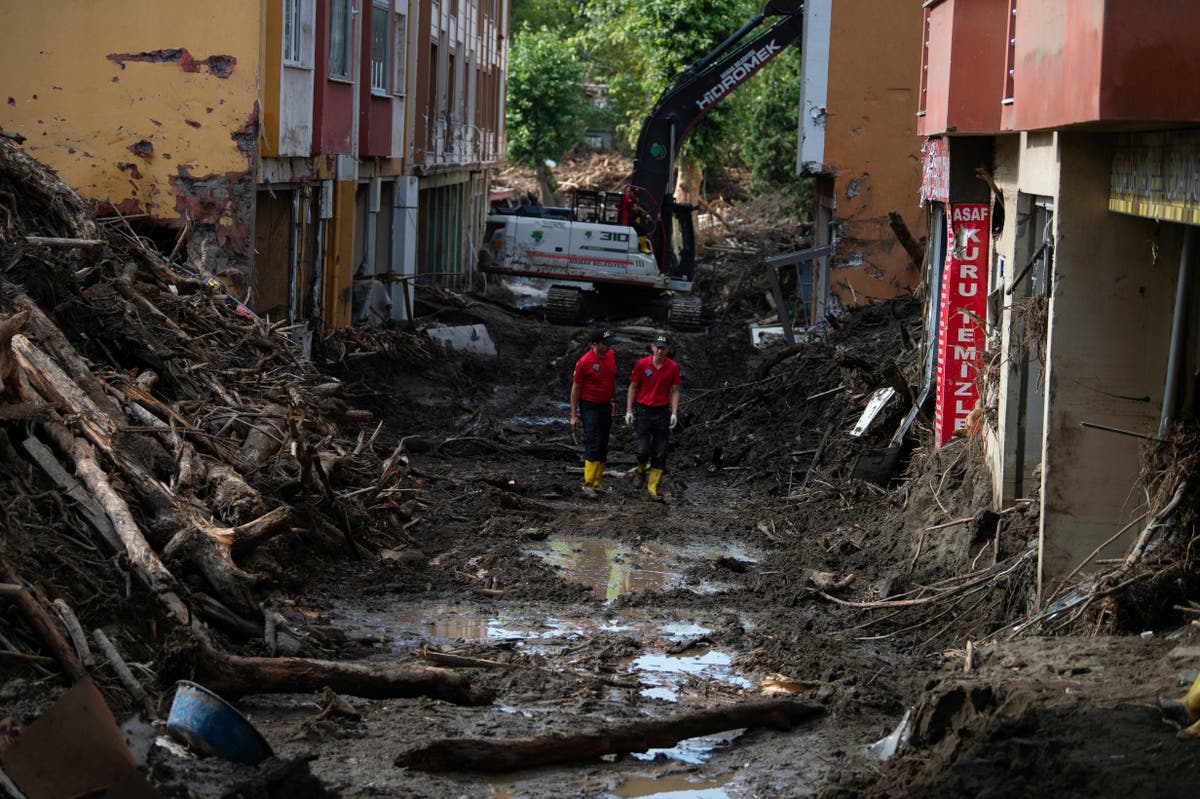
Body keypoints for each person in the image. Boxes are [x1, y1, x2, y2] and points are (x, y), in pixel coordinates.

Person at [624, 332, 680, 500]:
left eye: (663, 348)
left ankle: (652, 488)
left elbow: (675, 390)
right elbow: (633, 387)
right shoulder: (642, 364)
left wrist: (674, 413)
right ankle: (641, 470)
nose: (660, 351)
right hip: (643, 411)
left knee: (660, 452)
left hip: (662, 412)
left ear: (667, 349)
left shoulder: (673, 367)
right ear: (652, 347)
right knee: (642, 451)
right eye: (658, 348)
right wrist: (629, 410)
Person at [570, 328, 616, 498]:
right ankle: (588, 483)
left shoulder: (610, 355)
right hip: (590, 405)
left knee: (603, 442)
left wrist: (613, 400)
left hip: (605, 404)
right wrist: (573, 415)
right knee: (594, 441)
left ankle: (597, 482)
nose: (609, 346)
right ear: (595, 344)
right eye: (605, 344)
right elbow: (575, 389)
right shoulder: (584, 362)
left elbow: (611, 379)